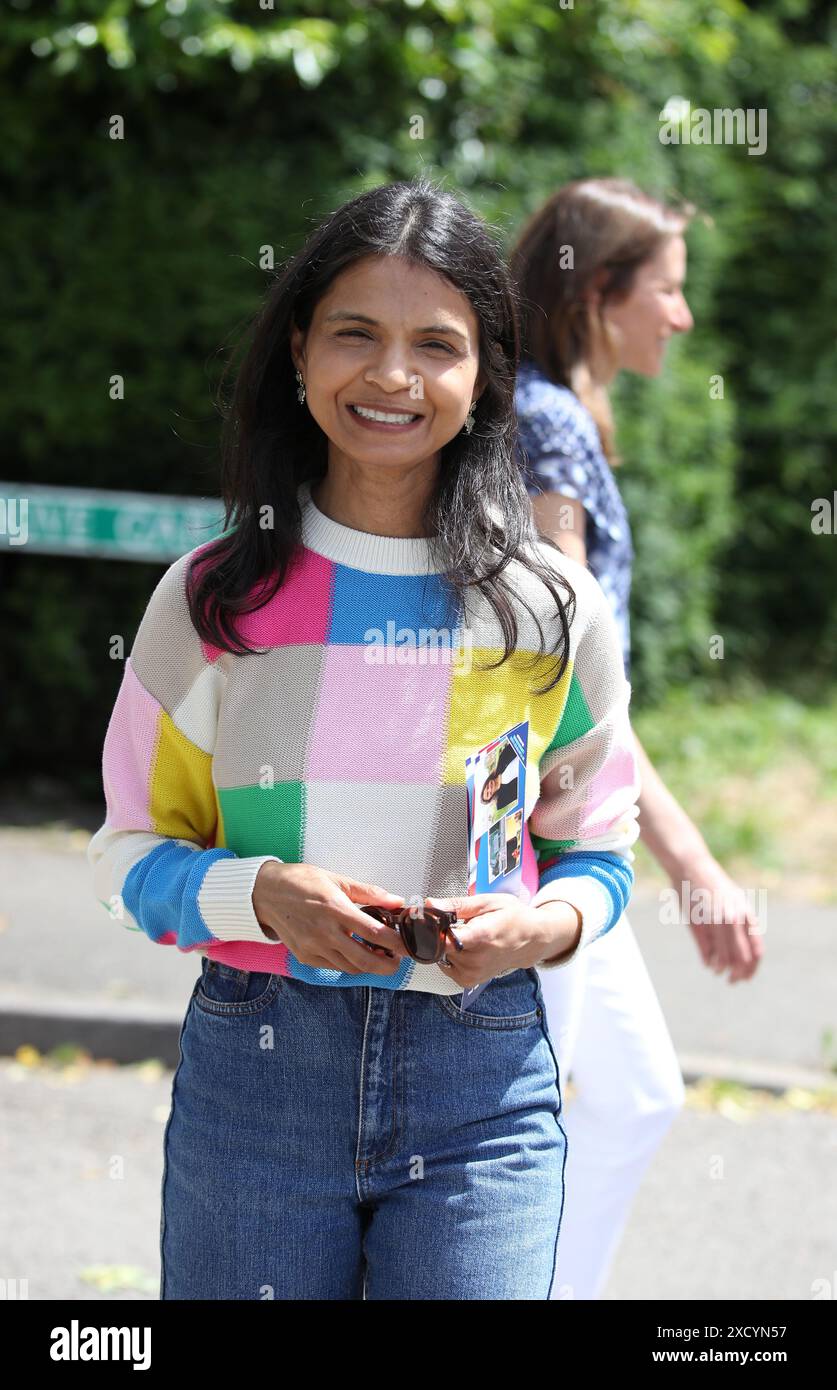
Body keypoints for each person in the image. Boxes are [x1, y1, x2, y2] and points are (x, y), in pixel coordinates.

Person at [86, 176, 641, 1301]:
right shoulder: (211, 604)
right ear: (300, 354)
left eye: (437, 345)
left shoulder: (551, 611)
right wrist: (260, 895)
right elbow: (124, 859)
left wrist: (540, 923)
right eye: (355, 335)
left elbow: (601, 854)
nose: (393, 376)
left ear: (484, 376)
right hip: (258, 1080)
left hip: (484, 1087)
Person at [508, 177, 764, 1300]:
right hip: (541, 837)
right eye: (669, 290)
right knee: (527, 1122)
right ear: (603, 293)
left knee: (639, 1091)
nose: (684, 316)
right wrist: (694, 864)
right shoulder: (548, 422)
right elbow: (567, 682)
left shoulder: (555, 410)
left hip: (570, 825)